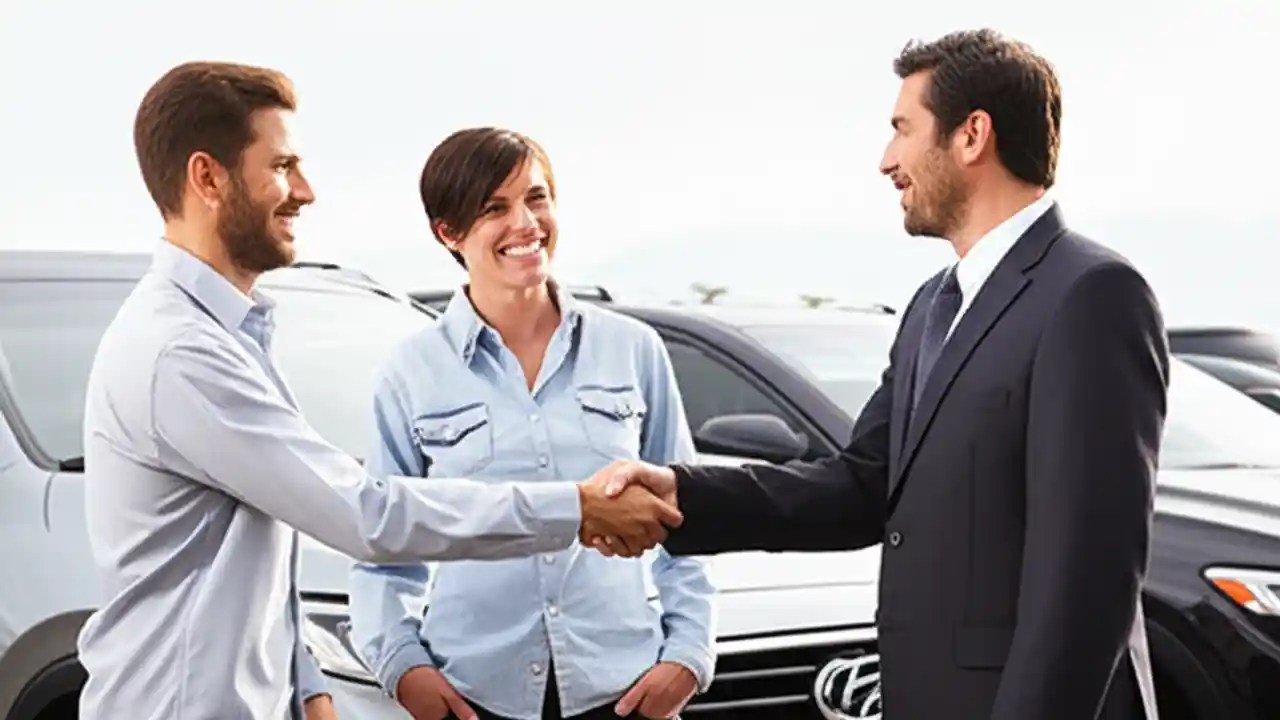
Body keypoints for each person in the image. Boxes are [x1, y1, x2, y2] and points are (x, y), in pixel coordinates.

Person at [596, 28, 1169, 720]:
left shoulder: (1092, 293)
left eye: (902, 129)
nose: (886, 160)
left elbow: (1089, 575)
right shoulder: (933, 305)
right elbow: (861, 485)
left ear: (972, 135)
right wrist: (682, 495)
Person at [77, 62, 678, 720]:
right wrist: (576, 509)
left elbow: (251, 557)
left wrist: (309, 686)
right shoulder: (180, 353)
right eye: (282, 165)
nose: (305, 190)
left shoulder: (229, 334)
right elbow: (365, 515)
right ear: (208, 177)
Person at [347, 128, 716, 720]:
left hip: (623, 692)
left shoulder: (633, 349)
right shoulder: (410, 372)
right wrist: (403, 667)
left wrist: (688, 656)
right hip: (472, 694)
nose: (526, 223)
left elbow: (689, 520)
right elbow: (383, 545)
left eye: (537, 198)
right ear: (449, 232)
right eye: (495, 207)